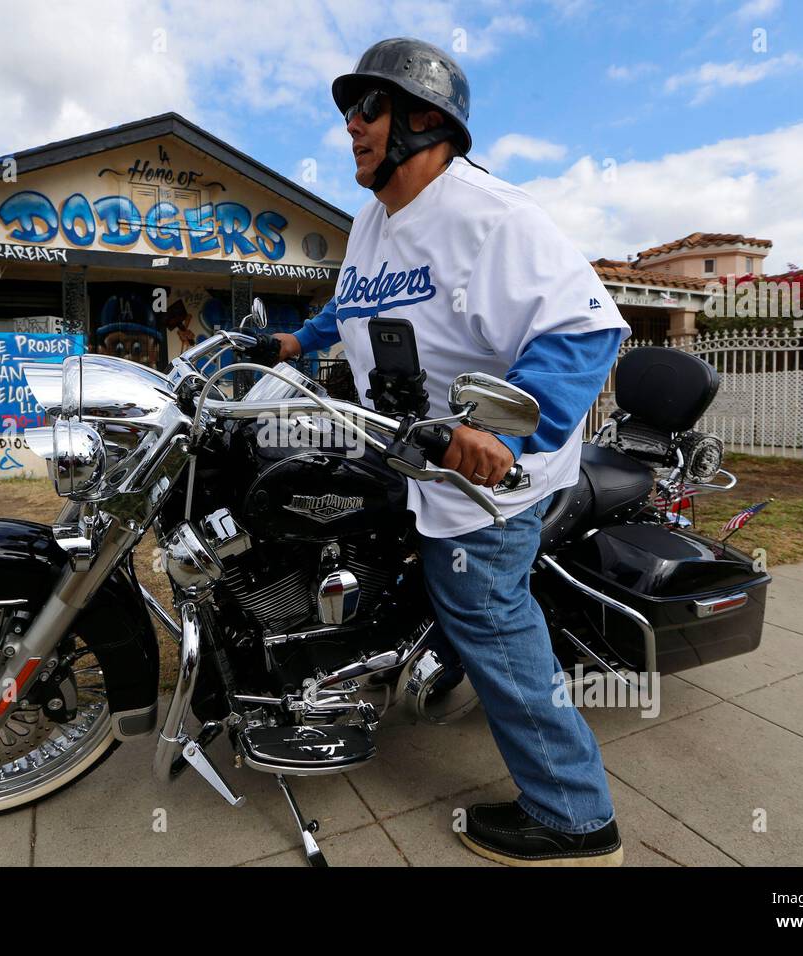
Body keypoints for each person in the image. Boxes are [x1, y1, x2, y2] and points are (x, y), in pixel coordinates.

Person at [267, 38, 631, 865]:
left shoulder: (495, 216)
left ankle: (576, 820)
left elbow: (583, 333)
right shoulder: (372, 220)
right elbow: (350, 307)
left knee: (488, 615)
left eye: (367, 108)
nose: (350, 127)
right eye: (348, 111)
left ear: (424, 120)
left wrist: (502, 434)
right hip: (406, 448)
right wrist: (294, 341)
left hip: (488, 479)